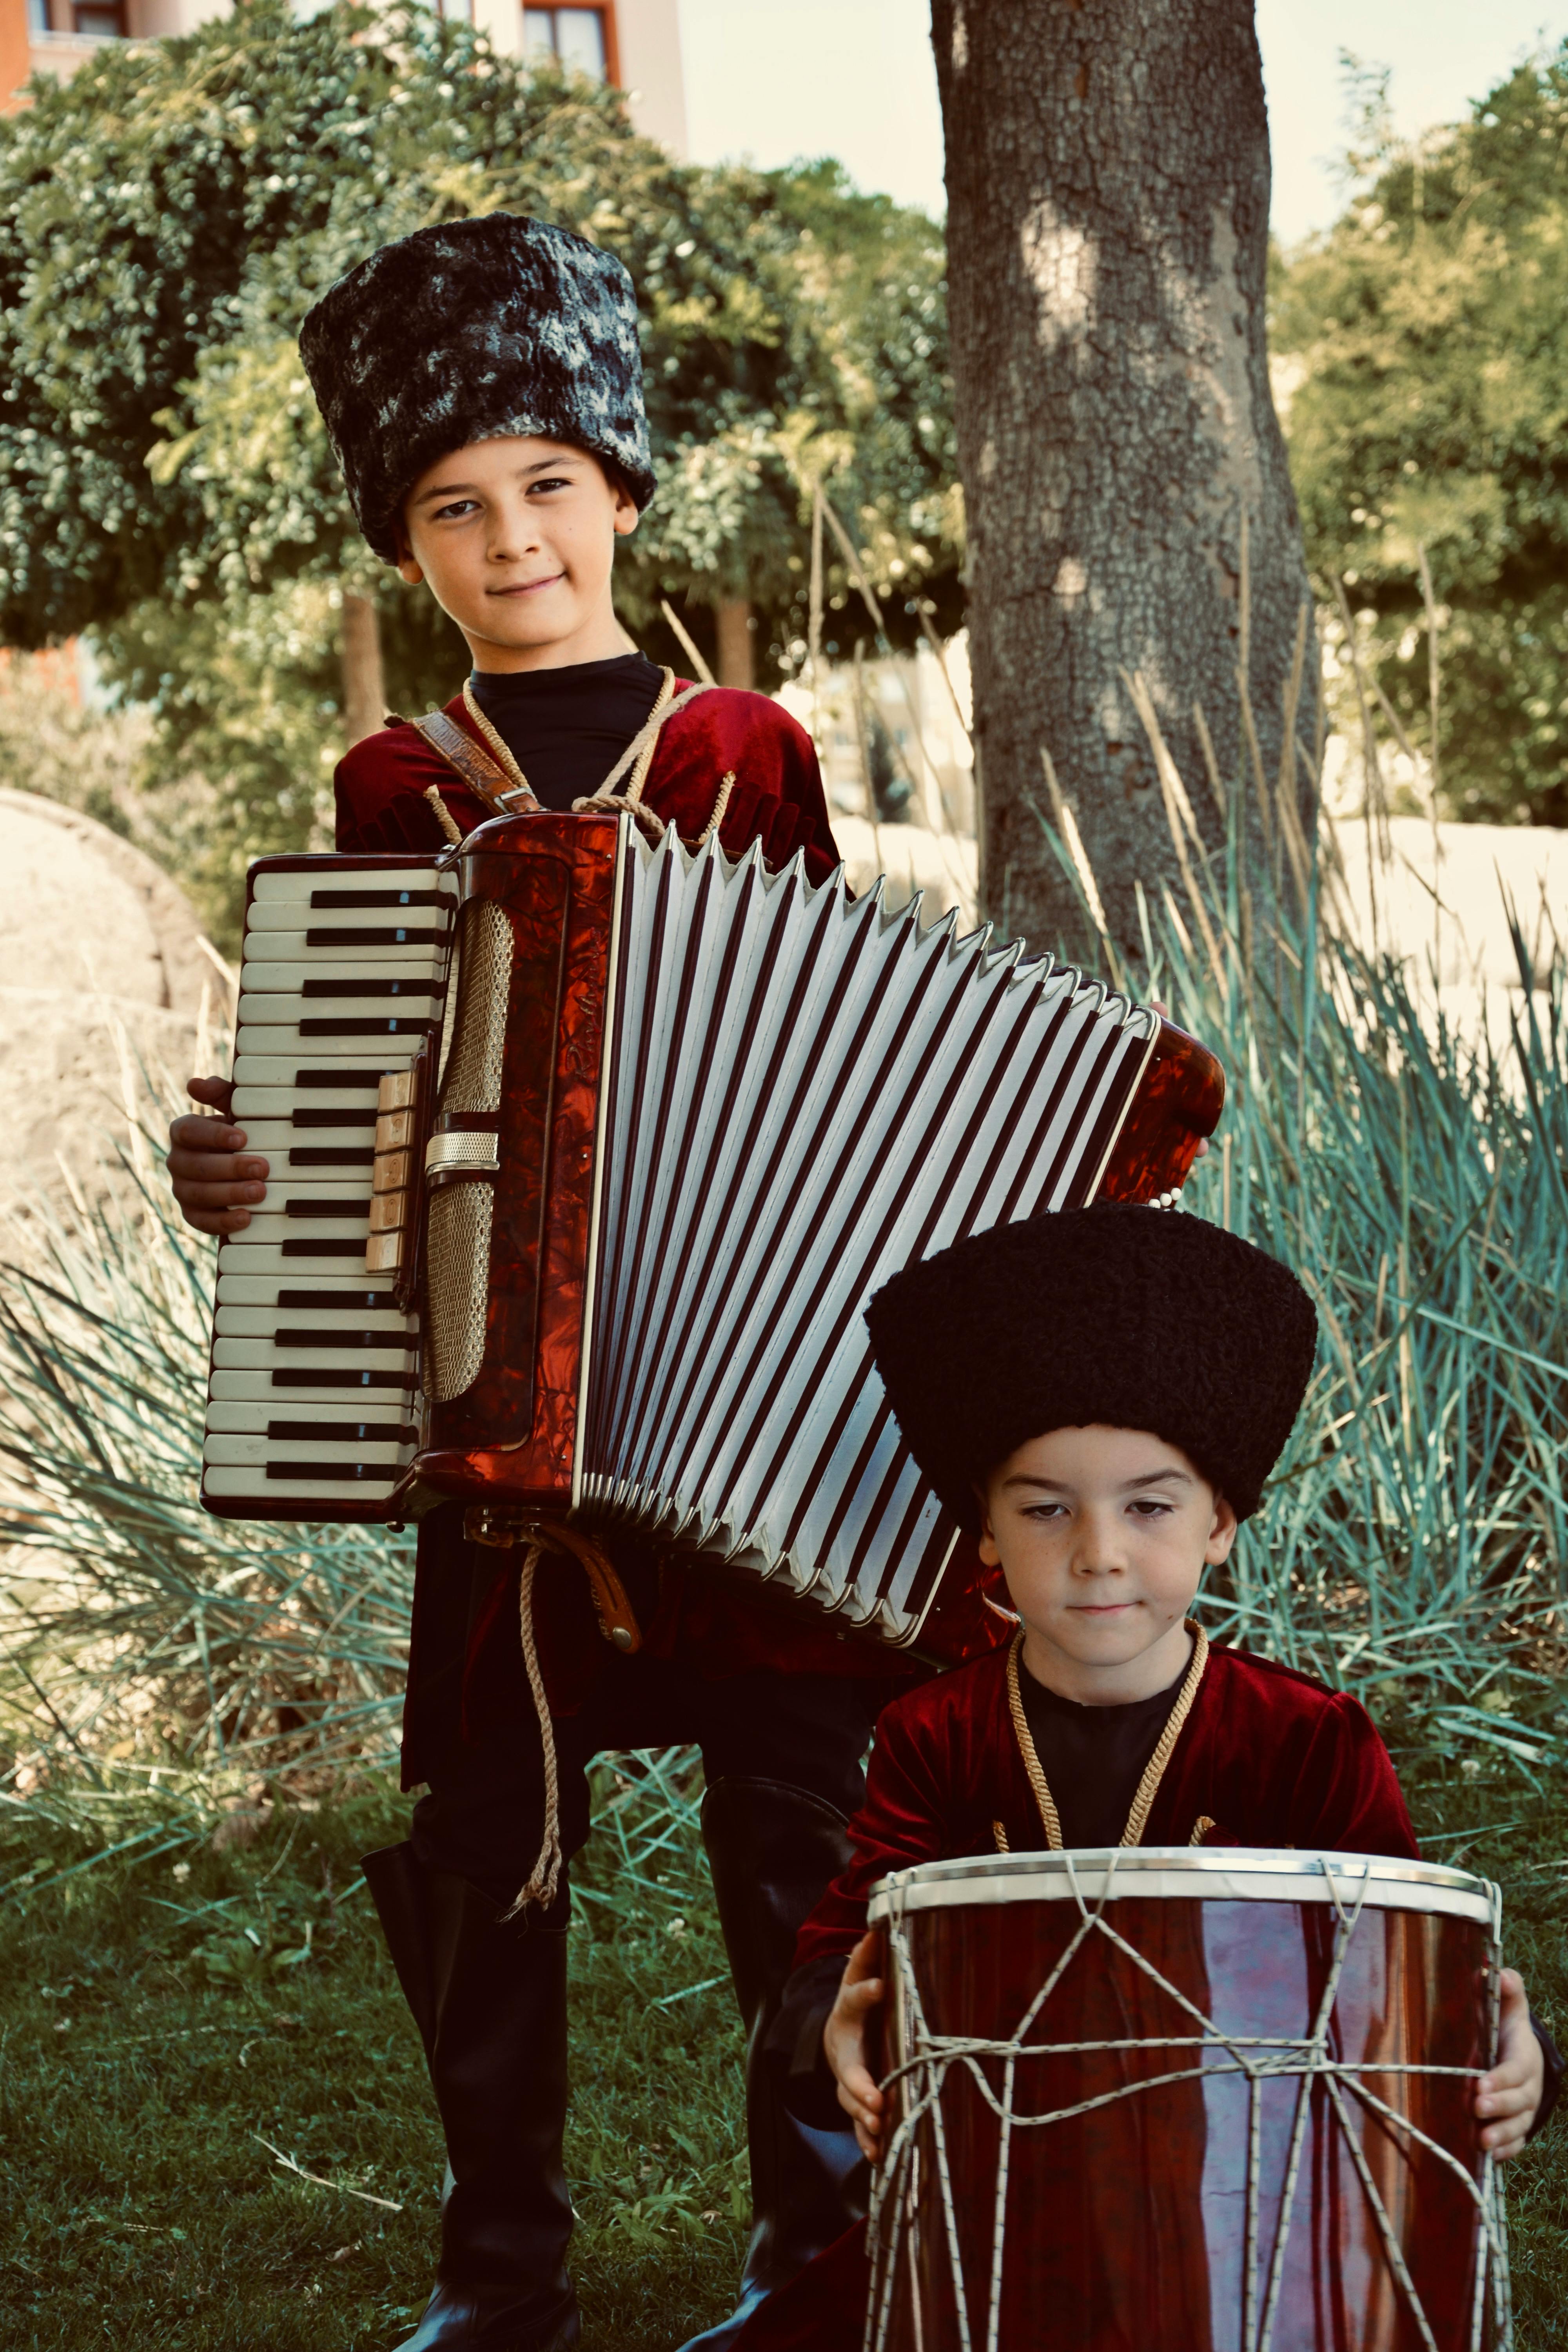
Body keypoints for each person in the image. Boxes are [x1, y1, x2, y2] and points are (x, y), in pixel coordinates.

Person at [163, 213, 1000, 2352]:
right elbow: (345, 1119)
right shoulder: (389, 790)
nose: (508, 536)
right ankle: (498, 2269)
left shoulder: (742, 750)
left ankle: (818, 2254)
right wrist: (250, 1171)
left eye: (546, 486)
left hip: (737, 1406)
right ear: (408, 548)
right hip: (500, 1424)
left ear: (620, 497)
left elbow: (828, 1051)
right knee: (479, 1835)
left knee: (799, 1823)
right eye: (454, 509)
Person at [728, 1203, 1560, 2351]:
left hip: (1259, 2212)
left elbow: (1405, 1984)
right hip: (999, 2216)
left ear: (1221, 1521)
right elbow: (841, 1951)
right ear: (985, 1528)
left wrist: (1519, 2055)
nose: (1099, 1552)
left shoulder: (1304, 1737)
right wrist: (835, 2017)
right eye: (1045, 1509)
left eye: (1149, 1506)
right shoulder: (937, 1733)